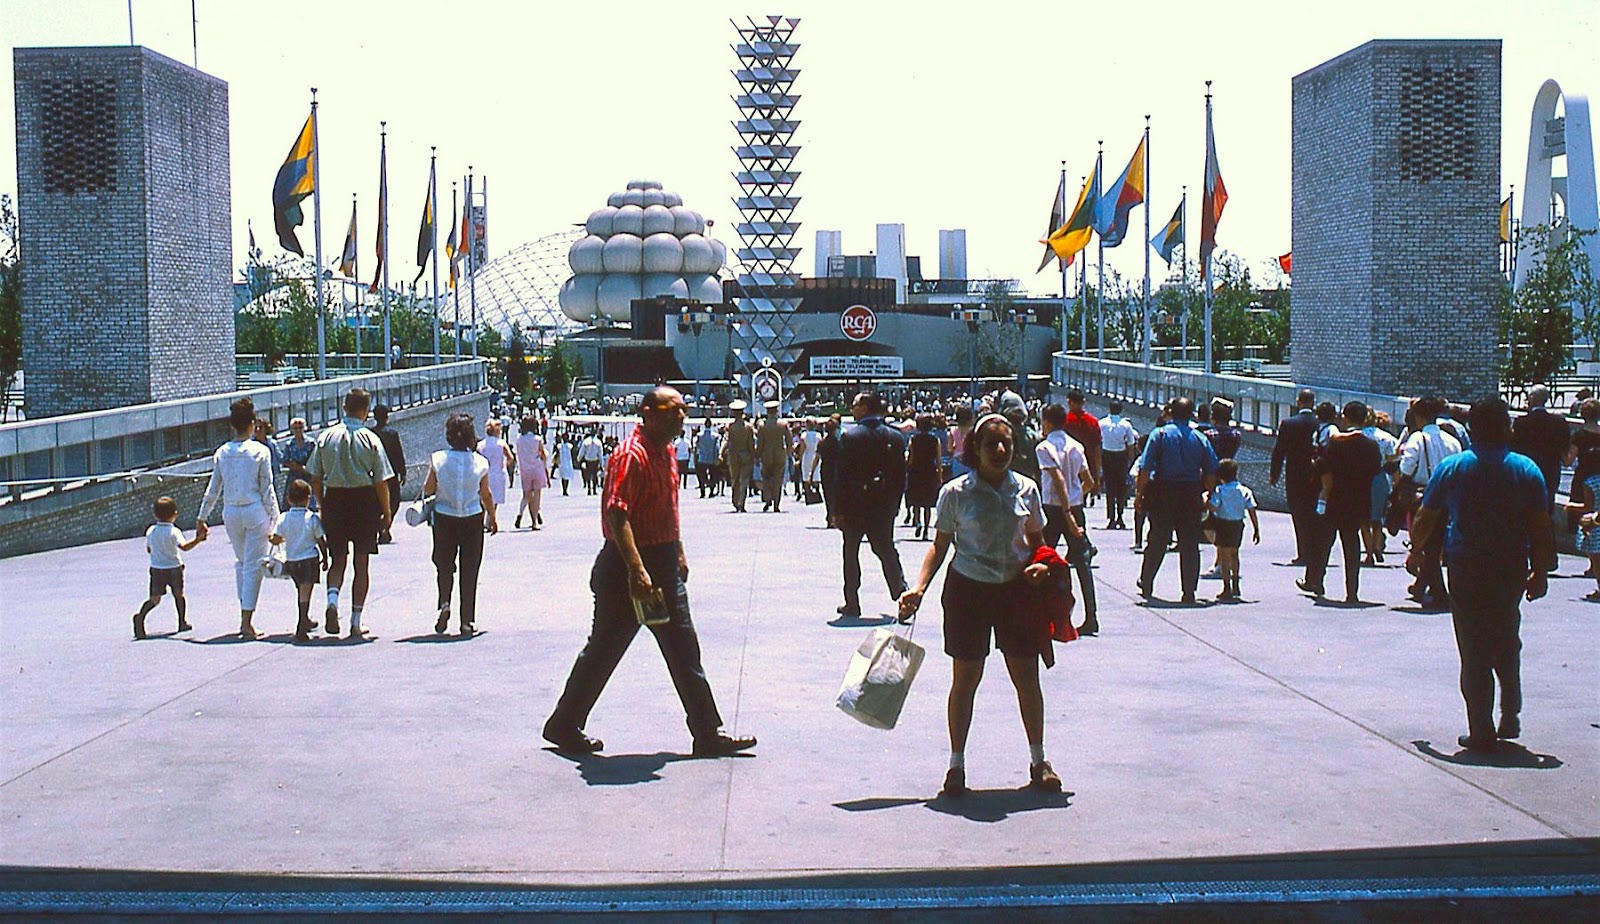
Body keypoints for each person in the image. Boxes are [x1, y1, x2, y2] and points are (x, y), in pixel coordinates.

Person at [543, 387, 757, 758]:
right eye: (672, 410)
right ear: (648, 412)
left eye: (683, 410)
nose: (681, 417)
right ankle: (564, 724)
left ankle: (708, 732)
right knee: (604, 650)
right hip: (624, 569)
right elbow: (616, 513)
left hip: (661, 562)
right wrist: (637, 570)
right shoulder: (630, 454)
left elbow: (666, 509)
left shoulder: (668, 453)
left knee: (684, 648)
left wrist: (678, 552)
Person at [897, 413, 1060, 797]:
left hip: (1016, 592)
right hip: (968, 591)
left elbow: (1037, 540)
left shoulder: (1027, 490)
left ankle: (1039, 761)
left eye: (1006, 443)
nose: (1000, 450)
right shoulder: (955, 493)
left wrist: (1039, 563)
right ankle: (956, 766)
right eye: (991, 444)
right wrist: (918, 588)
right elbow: (940, 545)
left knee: (1026, 678)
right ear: (976, 449)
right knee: (965, 680)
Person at [1409, 397, 1553, 753]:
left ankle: (1481, 731)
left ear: (1472, 429)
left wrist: (1415, 550)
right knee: (1505, 635)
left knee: (1473, 649)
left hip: (1466, 566)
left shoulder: (1454, 468)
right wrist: (1541, 571)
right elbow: (1541, 527)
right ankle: (1511, 706)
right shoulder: (1527, 469)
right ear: (1507, 428)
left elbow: (1427, 516)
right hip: (1510, 568)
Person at [307, 387, 393, 640]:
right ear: (366, 411)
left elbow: (315, 477)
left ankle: (332, 601)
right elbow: (381, 481)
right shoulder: (371, 439)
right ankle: (355, 622)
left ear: (344, 407)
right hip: (364, 501)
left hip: (335, 499)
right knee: (362, 561)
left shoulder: (326, 437)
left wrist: (322, 504)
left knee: (338, 559)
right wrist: (386, 513)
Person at [197, 397, 282, 640]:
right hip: (255, 510)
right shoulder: (260, 451)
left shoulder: (222, 452)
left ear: (232, 425)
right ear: (254, 424)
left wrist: (202, 516)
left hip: (231, 511)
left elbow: (214, 488)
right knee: (254, 565)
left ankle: (244, 612)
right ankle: (247, 621)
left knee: (241, 562)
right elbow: (267, 490)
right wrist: (276, 521)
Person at [1135, 396, 1219, 604]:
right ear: (1192, 415)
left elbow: (1145, 469)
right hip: (1190, 493)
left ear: (1170, 412)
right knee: (1189, 543)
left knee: (1157, 540)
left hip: (1164, 491)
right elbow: (1210, 473)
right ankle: (1189, 591)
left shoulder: (1160, 434)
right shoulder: (1200, 438)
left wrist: (1140, 495)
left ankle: (1146, 582)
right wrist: (1208, 494)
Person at [1300, 401, 1383, 603]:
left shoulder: (1336, 443)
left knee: (1325, 541)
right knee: (1352, 545)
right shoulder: (1371, 446)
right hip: (1359, 500)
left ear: (1345, 418)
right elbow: (1376, 471)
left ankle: (1317, 581)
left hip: (1336, 499)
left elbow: (1322, 466)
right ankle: (1352, 591)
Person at [834, 392, 908, 618]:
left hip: (855, 505)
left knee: (851, 552)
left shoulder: (850, 436)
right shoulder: (896, 437)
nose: (852, 407)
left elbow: (841, 477)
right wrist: (895, 504)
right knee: (886, 549)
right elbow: (900, 476)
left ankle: (852, 602)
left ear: (865, 408)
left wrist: (837, 510)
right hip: (883, 505)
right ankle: (902, 595)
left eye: (855, 404)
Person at [426, 412, 498, 635]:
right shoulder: (480, 463)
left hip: (444, 518)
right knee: (469, 568)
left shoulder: (438, 459)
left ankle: (445, 603)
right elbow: (486, 494)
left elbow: (428, 488)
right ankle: (467, 620)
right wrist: (492, 518)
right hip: (472, 518)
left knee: (444, 564)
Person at [1037, 403, 1098, 634]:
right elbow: (1089, 481)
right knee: (1082, 563)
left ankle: (1041, 614)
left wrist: (1065, 511)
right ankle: (1091, 616)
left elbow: (1058, 480)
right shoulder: (1076, 446)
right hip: (1075, 506)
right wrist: (1075, 499)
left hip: (1054, 510)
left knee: (1042, 560)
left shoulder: (1044, 448)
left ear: (1047, 422)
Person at [1398, 396, 1463, 607]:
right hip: (1450, 498)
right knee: (1437, 545)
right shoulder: (1453, 441)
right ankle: (1423, 586)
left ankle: (1439, 593)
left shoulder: (1418, 438)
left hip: (1424, 496)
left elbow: (1406, 468)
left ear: (1419, 416)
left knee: (1428, 547)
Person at [133, 496, 206, 639]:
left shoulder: (151, 530)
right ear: (175, 514)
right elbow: (184, 547)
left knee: (155, 599)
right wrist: (198, 540)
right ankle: (182, 622)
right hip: (174, 567)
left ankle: (140, 616)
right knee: (179, 594)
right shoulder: (174, 531)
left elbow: (149, 549)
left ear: (155, 514)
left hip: (156, 568)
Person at [269, 479, 327, 642]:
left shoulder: (283, 517)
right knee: (306, 592)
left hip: (292, 560)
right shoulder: (311, 518)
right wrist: (325, 556)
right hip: (309, 558)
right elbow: (320, 539)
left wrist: (270, 538)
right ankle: (301, 626)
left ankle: (306, 620)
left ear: (288, 499)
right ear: (308, 498)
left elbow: (277, 539)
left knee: (300, 591)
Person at [1270, 388, 1320, 565]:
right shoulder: (1320, 423)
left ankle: (1303, 552)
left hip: (1295, 475)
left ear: (1298, 401)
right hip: (1318, 475)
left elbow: (1279, 451)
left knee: (1299, 514)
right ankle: (1316, 551)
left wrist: (1274, 474)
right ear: (1313, 403)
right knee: (1315, 514)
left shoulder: (1288, 424)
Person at [1511, 385, 1572, 517]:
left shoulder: (1521, 422)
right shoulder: (1559, 422)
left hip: (1525, 470)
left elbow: (1514, 447)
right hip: (1551, 470)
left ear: (1532, 398)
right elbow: (1564, 446)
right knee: (1547, 506)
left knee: (1524, 508)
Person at [1207, 459, 1259, 600]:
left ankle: (1226, 588)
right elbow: (1251, 509)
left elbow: (1213, 507)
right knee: (1234, 554)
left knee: (1224, 557)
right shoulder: (1245, 490)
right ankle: (1236, 584)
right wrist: (1256, 529)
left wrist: (1206, 499)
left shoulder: (1220, 490)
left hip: (1223, 523)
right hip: (1238, 524)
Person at [1099, 401, 1138, 529]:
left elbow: (1098, 443)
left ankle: (1111, 518)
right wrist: (1131, 462)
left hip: (1107, 456)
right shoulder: (1126, 425)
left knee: (1110, 488)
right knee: (1122, 488)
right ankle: (1120, 516)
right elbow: (1131, 444)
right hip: (1121, 457)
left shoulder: (1102, 423)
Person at [371, 404, 406, 544]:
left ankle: (382, 527)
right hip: (391, 474)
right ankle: (384, 528)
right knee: (394, 501)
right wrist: (402, 472)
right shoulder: (392, 433)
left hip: (375, 474)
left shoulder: (370, 433)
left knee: (377, 503)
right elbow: (398, 453)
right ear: (386, 417)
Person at [1062, 389, 1103, 506]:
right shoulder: (1093, 422)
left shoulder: (1064, 421)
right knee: (1081, 500)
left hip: (1068, 465)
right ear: (1083, 402)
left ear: (1069, 402)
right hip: (1087, 466)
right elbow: (1097, 450)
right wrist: (1097, 475)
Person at [905, 416, 942, 539]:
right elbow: (938, 460)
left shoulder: (913, 439)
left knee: (916, 500)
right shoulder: (935, 440)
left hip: (916, 471)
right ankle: (926, 529)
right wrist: (939, 476)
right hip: (930, 471)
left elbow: (911, 459)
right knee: (927, 503)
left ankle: (917, 521)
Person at [515, 416, 550, 530]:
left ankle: (527, 517)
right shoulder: (537, 439)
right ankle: (534, 521)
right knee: (537, 496)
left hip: (525, 470)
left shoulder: (519, 439)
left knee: (528, 496)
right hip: (537, 468)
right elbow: (543, 455)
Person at [722, 401, 757, 512]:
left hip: (733, 456)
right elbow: (751, 444)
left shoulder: (730, 427)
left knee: (735, 479)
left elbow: (726, 440)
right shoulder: (749, 427)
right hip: (746, 455)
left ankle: (735, 500)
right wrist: (754, 455)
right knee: (744, 480)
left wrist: (721, 452)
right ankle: (742, 502)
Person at [757, 401, 788, 512]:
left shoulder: (762, 426)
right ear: (776, 411)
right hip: (780, 455)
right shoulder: (783, 424)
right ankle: (776, 503)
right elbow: (789, 441)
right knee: (778, 479)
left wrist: (757, 456)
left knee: (766, 478)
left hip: (766, 455)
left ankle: (767, 498)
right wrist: (789, 453)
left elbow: (760, 443)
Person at [479, 419, 513, 518]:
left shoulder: (481, 444)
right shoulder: (501, 444)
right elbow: (510, 457)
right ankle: (490, 520)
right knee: (495, 499)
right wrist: (505, 464)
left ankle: (483, 519)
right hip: (498, 473)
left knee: (483, 497)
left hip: (484, 473)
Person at [281, 417, 317, 509]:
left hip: (307, 476)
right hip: (294, 477)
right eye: (295, 428)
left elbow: (315, 459)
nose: (298, 430)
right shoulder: (289, 444)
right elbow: (285, 461)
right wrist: (294, 466)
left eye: (300, 428)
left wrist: (305, 468)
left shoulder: (311, 443)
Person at [818, 414, 842, 527]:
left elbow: (818, 457)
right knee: (836, 494)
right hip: (836, 469)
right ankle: (834, 516)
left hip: (825, 469)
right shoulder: (838, 443)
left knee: (827, 494)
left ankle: (829, 516)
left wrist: (811, 472)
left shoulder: (822, 442)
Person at [694, 420, 720, 498]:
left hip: (702, 458)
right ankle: (711, 491)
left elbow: (697, 446)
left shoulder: (699, 435)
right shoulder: (715, 436)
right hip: (712, 458)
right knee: (713, 475)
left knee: (702, 475)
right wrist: (717, 458)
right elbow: (717, 448)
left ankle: (702, 491)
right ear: (711, 425)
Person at [577, 429, 605, 495]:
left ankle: (589, 489)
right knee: (594, 475)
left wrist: (579, 458)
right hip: (595, 460)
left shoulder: (586, 441)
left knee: (588, 475)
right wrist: (601, 463)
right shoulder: (598, 442)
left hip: (588, 460)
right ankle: (594, 490)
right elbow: (600, 453)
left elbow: (582, 451)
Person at [556, 431, 577, 496]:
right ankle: (564, 489)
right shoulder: (559, 445)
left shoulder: (570, 445)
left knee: (567, 476)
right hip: (562, 462)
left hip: (568, 462)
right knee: (563, 477)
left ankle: (566, 489)